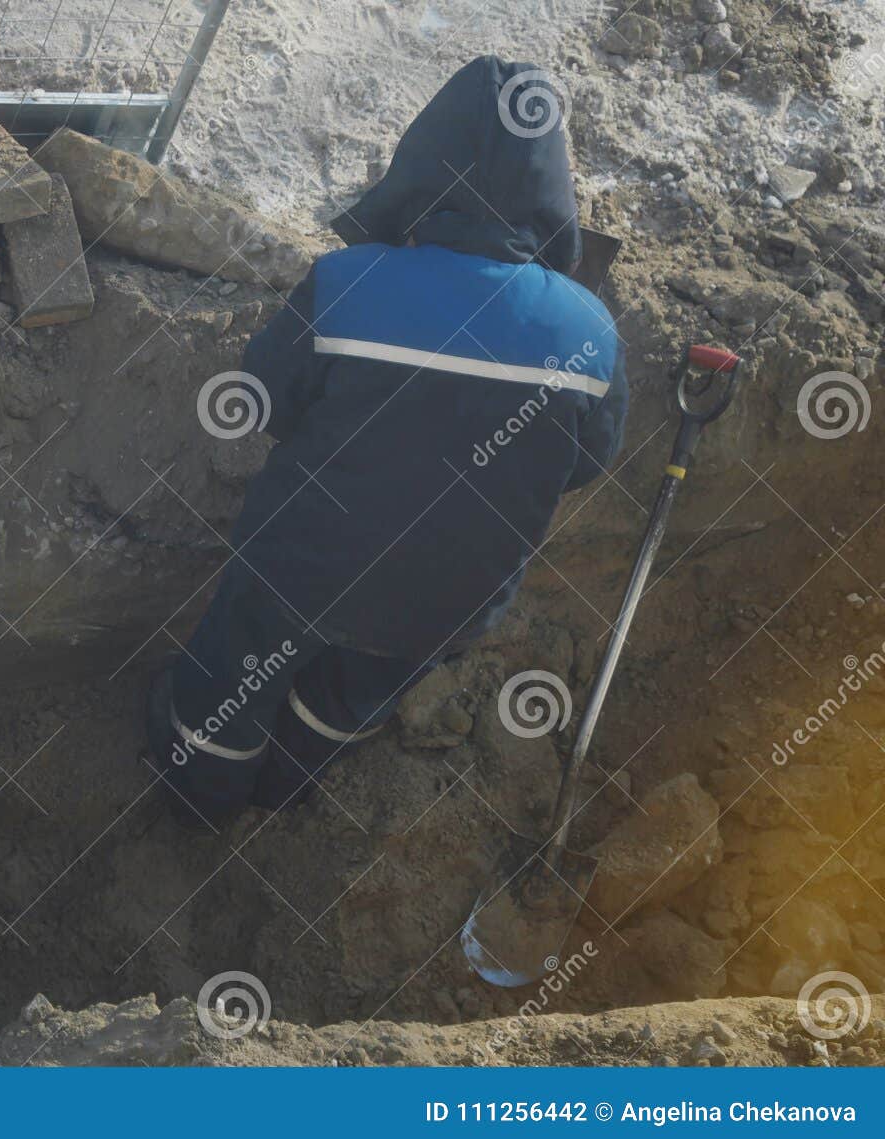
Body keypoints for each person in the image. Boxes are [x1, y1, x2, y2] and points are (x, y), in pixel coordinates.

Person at [148, 56, 629, 826]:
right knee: (352, 691)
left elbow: (264, 398)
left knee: (234, 672)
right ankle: (285, 786)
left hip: (301, 569)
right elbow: (586, 463)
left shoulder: (349, 283)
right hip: (453, 596)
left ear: (423, 162)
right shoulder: (590, 331)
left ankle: (199, 801)